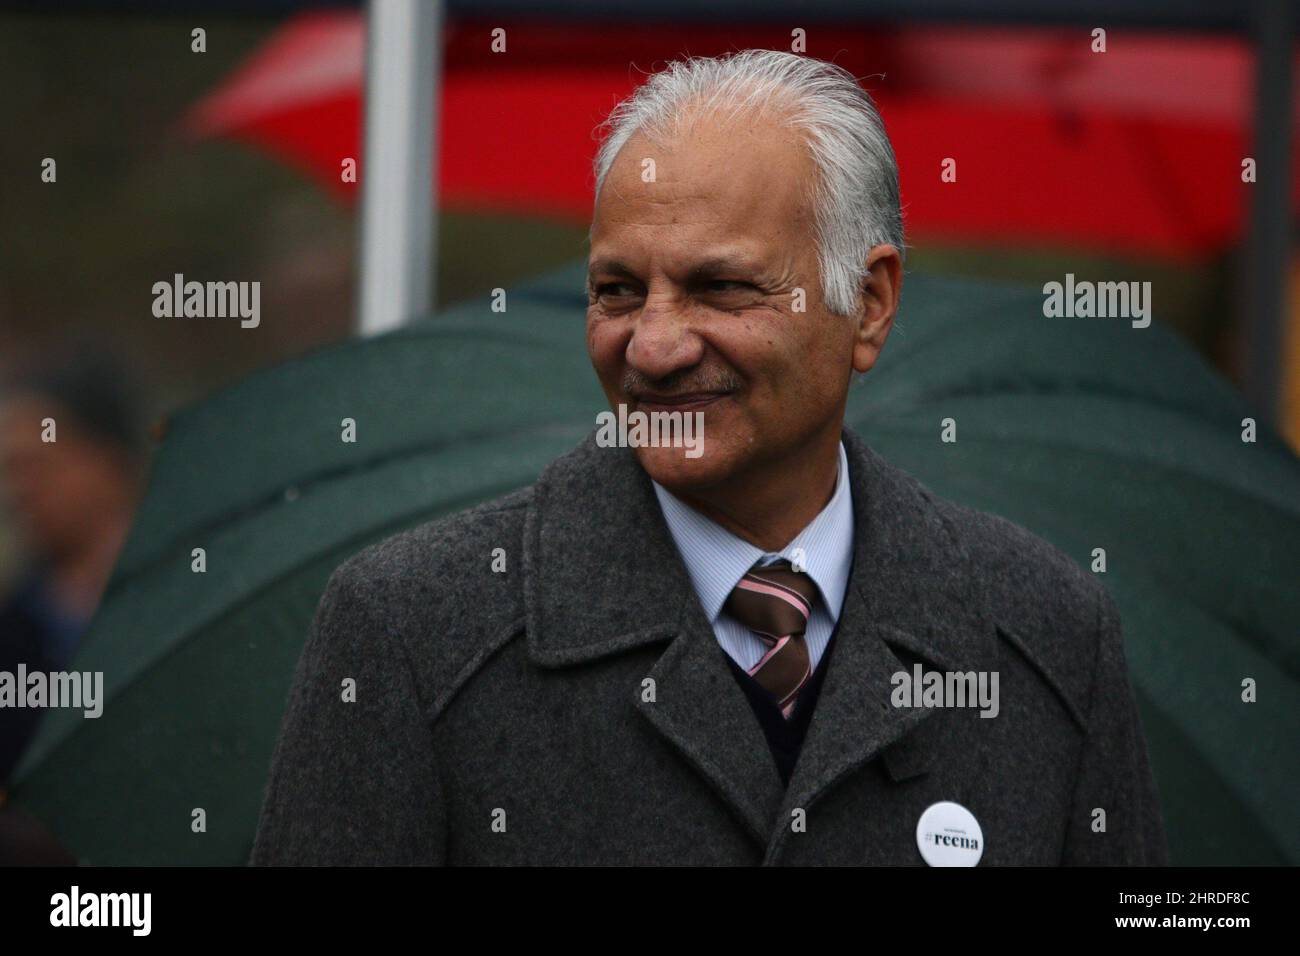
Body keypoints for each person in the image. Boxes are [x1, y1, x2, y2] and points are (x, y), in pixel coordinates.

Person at [251, 50, 1167, 866]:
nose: (652, 347)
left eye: (720, 288)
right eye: (617, 290)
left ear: (872, 302)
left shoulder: (1046, 638)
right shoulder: (415, 634)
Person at [0, 346, 145, 787]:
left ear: (106, 459)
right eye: (7, 472)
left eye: (34, 466)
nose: (16, 492)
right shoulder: (16, 628)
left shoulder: (192, 591)